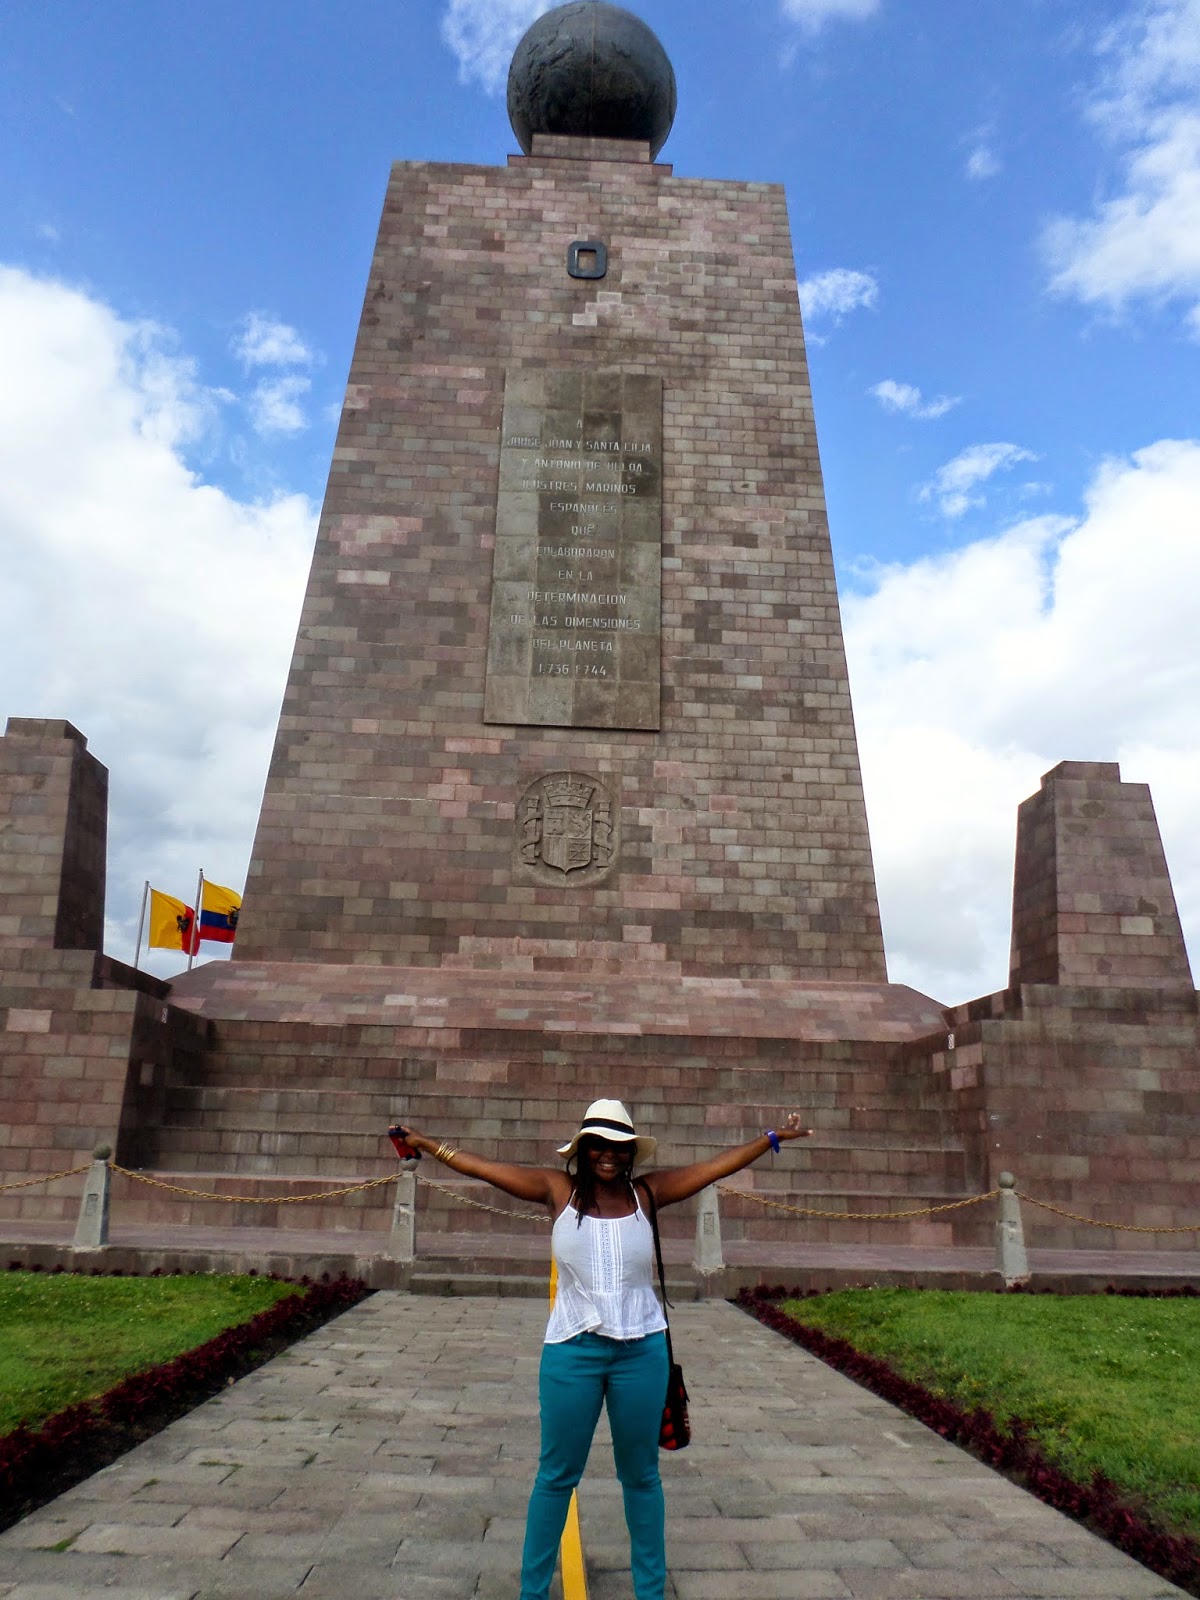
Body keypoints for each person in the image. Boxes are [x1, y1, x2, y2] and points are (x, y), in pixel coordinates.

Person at [394, 1097, 813, 1600]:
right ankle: (533, 1593)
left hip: (642, 1352)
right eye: (598, 1145)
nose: (608, 1155)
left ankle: (650, 1593)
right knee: (556, 1476)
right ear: (583, 1149)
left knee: (640, 1477)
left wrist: (770, 1141)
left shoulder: (648, 1195)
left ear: (631, 1151)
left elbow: (712, 1167)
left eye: (618, 1145)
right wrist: (426, 1145)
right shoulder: (558, 1190)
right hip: (573, 1351)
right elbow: (483, 1168)